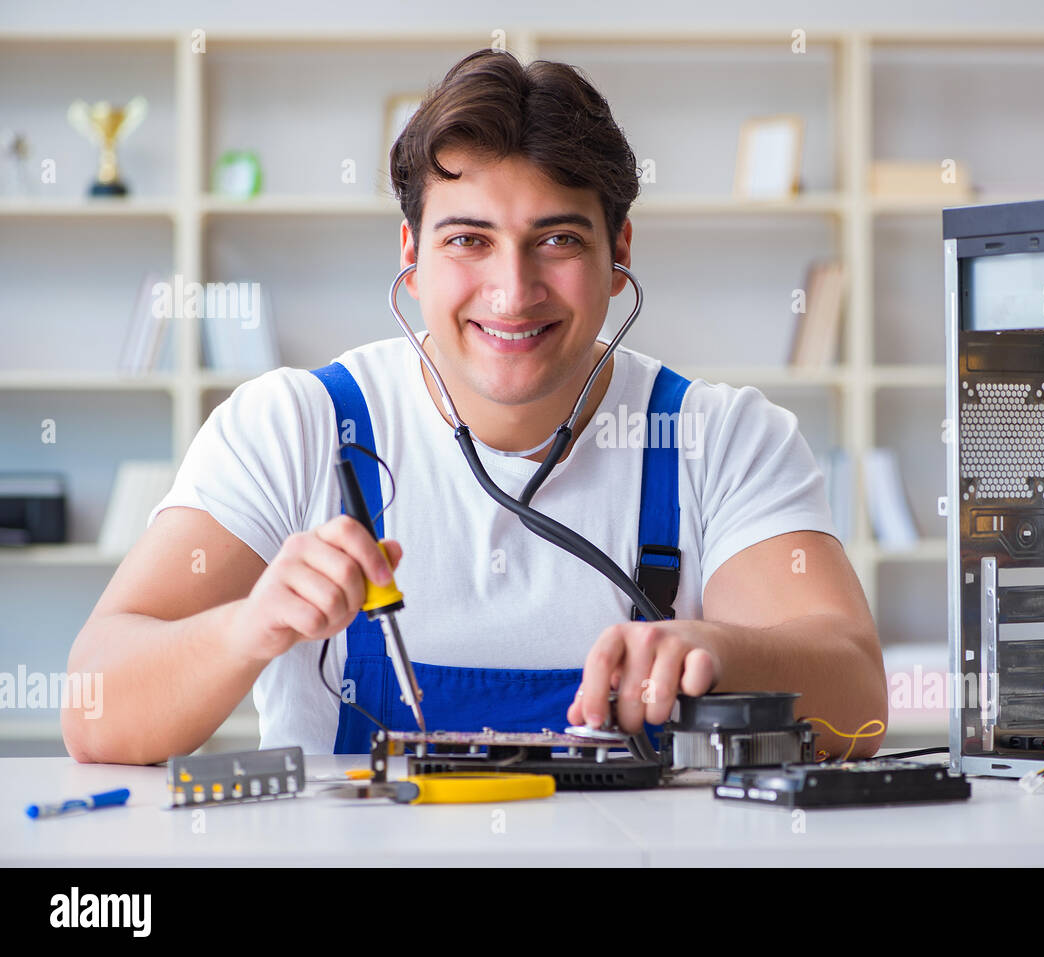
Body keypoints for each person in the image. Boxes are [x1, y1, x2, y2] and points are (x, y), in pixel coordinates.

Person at [62, 48, 887, 765]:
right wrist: (246, 628)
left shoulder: (722, 437)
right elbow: (93, 706)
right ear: (411, 256)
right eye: (468, 240)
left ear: (619, 252)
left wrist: (718, 646)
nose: (512, 290)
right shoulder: (291, 427)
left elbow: (859, 703)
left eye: (558, 239)